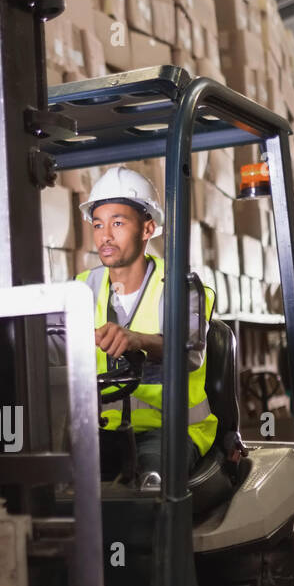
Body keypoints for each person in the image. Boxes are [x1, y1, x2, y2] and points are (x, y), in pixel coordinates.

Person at [74, 166, 217, 489]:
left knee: (148, 485)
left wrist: (137, 340)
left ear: (148, 228)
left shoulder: (180, 286)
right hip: (103, 430)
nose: (105, 236)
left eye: (118, 223)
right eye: (98, 224)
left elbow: (188, 352)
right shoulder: (81, 288)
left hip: (171, 430)